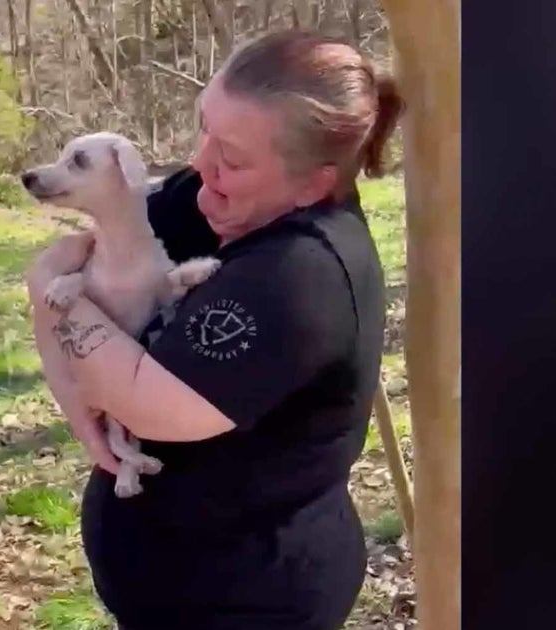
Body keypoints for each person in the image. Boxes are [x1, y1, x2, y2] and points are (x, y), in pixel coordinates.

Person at [24, 29, 402, 630]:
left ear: (314, 183)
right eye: (205, 130)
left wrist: (57, 293)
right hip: (169, 589)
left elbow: (147, 403)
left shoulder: (298, 274)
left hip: (250, 603)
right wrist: (83, 406)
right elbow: (70, 264)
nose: (201, 162)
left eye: (232, 156)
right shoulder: (213, 198)